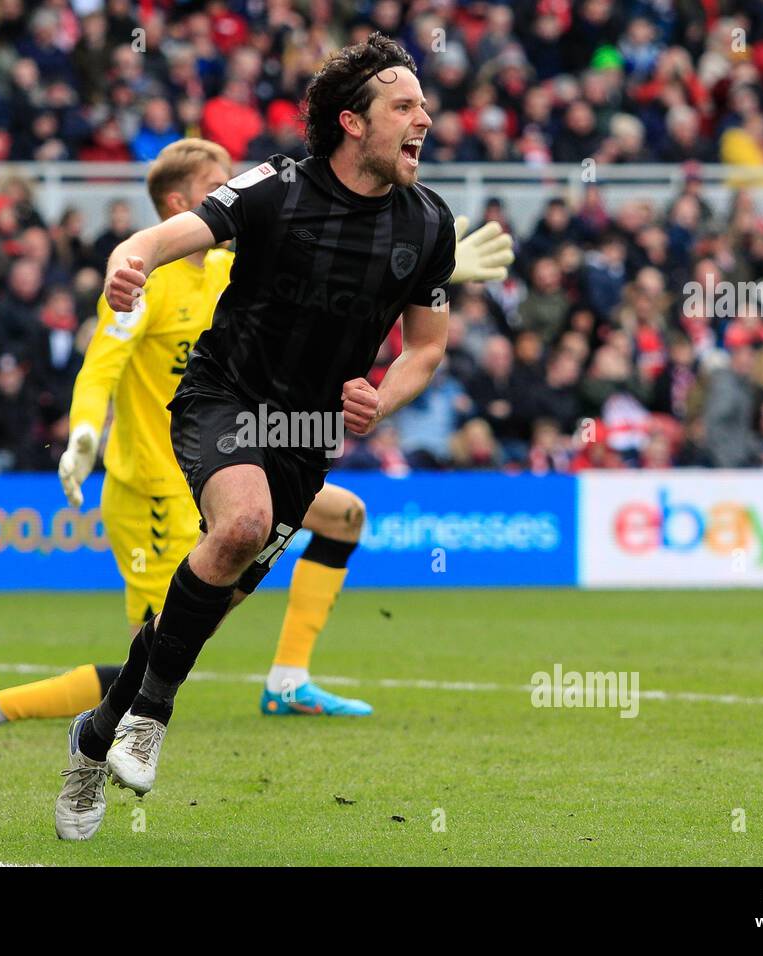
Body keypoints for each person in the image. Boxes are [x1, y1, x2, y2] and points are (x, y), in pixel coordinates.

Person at [0, 137, 512, 734]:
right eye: (216, 182)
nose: (234, 189)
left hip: (239, 461)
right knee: (162, 646)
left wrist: (437, 263)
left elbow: (326, 272)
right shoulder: (146, 284)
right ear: (180, 206)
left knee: (343, 516)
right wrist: (84, 435)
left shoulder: (230, 268)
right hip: (154, 487)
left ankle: (288, 682)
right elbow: (99, 367)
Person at [53, 33, 463, 841]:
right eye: (405, 105)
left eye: (423, 103)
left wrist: (379, 400)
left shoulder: (430, 224)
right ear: (353, 121)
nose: (426, 116)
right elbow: (175, 233)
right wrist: (128, 259)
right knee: (237, 526)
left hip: (308, 436)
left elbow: (427, 348)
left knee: (209, 602)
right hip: (224, 396)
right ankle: (153, 717)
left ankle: (96, 732)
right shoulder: (278, 186)